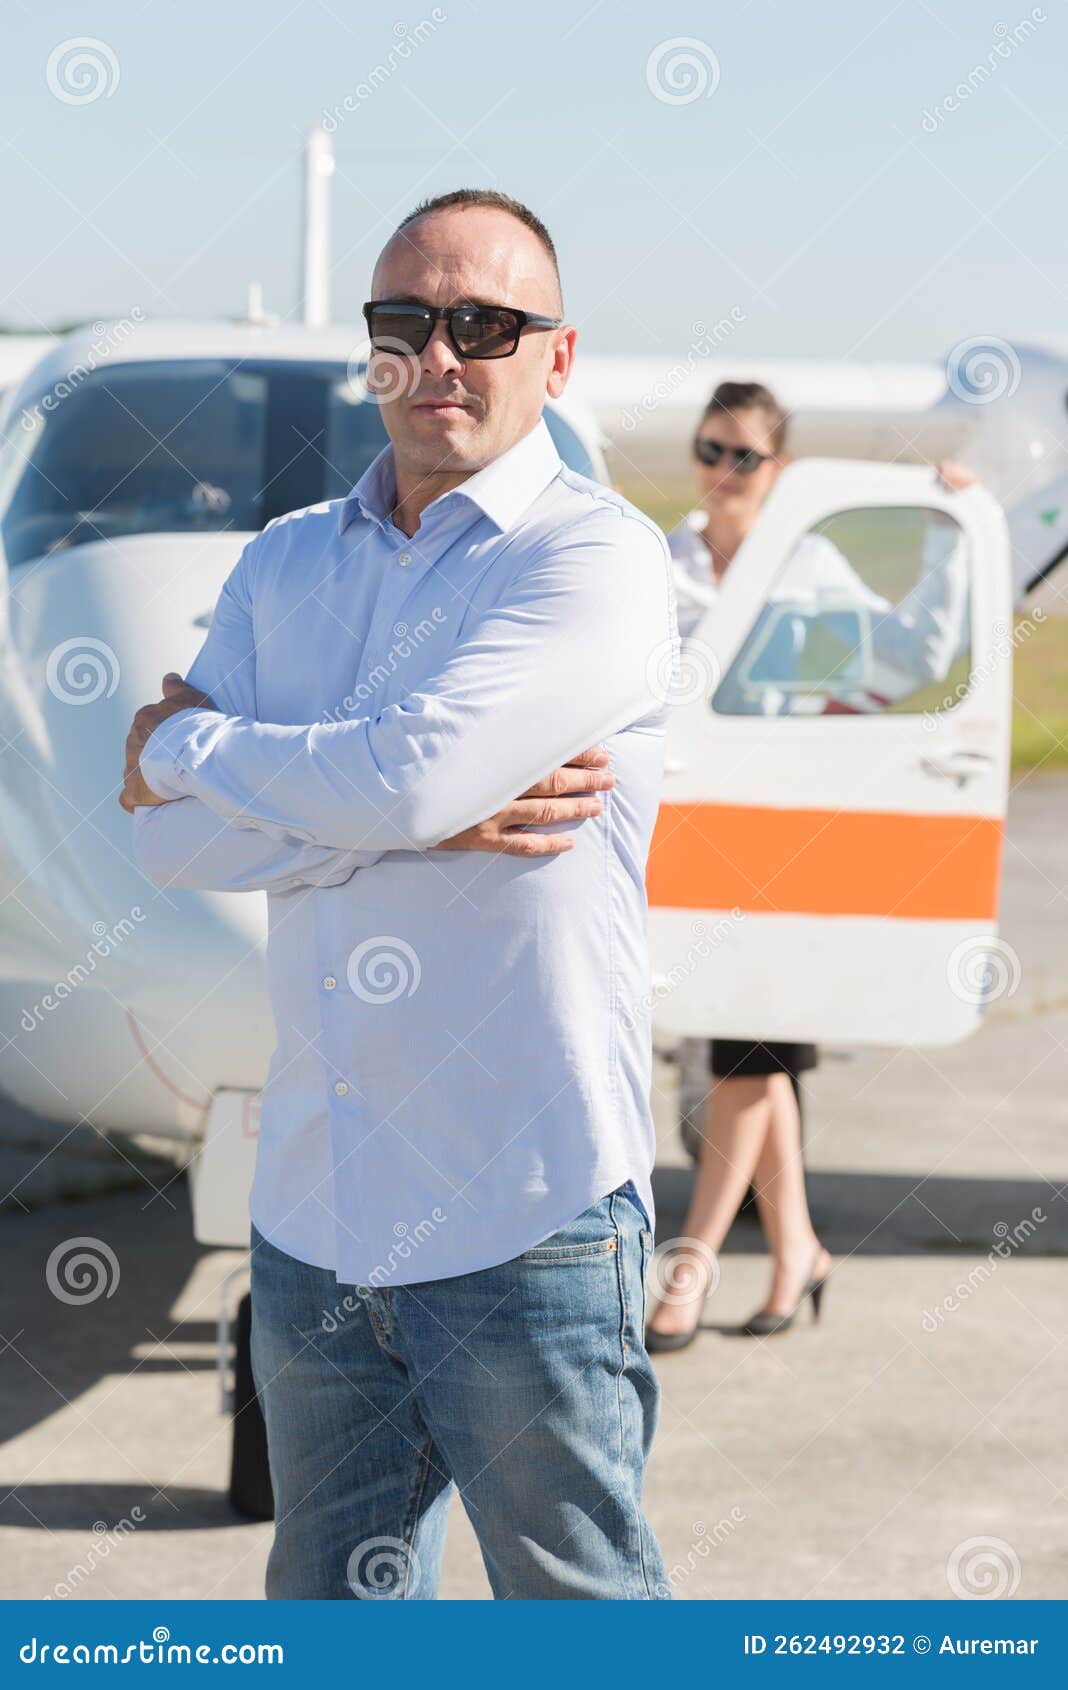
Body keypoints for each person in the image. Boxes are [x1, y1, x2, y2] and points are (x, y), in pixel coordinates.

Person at [120, 189, 677, 1600]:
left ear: (558, 357)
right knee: (328, 1610)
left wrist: (187, 748)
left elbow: (403, 779)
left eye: (486, 323)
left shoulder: (593, 556)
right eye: (405, 322)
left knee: (577, 1608)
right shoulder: (286, 558)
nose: (442, 353)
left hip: (528, 1211)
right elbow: (169, 852)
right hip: (320, 1216)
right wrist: (400, 811)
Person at [645, 380, 973, 1352]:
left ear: (777, 470)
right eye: (711, 449)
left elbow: (908, 653)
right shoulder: (659, 564)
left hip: (782, 843)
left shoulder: (810, 563)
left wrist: (950, 527)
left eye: (745, 456)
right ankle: (797, 1250)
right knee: (757, 1054)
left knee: (742, 1051)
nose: (724, 472)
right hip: (688, 841)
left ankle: (692, 1265)